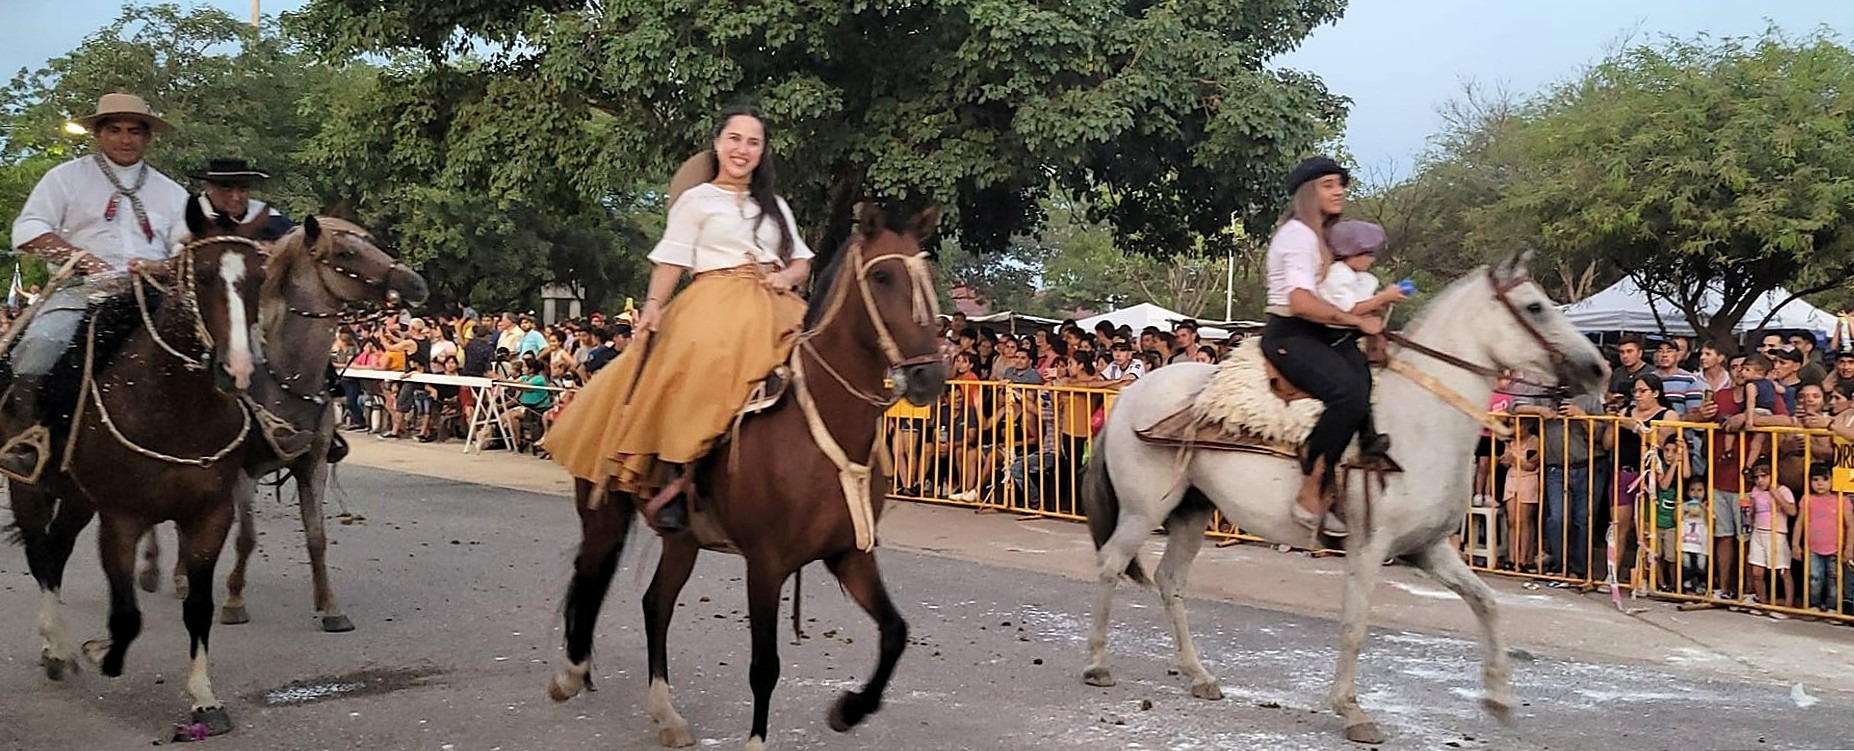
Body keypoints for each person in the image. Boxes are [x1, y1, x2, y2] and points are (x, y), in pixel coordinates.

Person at [543, 106, 813, 532]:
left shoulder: (775, 205)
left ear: (763, 151)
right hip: (712, 295)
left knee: (818, 361)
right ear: (718, 144)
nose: (743, 149)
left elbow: (801, 259)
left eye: (753, 142)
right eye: (735, 139)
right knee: (699, 357)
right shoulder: (698, 199)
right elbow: (671, 259)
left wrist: (787, 276)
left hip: (771, 298)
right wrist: (652, 305)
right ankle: (674, 472)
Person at [1, 93, 191, 481]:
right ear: (98, 134)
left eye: (135, 131)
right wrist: (84, 258)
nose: (125, 139)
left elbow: (188, 250)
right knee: (39, 348)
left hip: (153, 296)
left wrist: (159, 266)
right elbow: (29, 230)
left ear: (148, 137)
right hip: (79, 292)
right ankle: (33, 437)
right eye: (115, 130)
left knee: (223, 347)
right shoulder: (66, 178)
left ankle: (253, 438)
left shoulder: (172, 192)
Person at [1259, 156, 1388, 537]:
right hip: (1291, 333)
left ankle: (1364, 454)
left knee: (1365, 380)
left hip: (1322, 332)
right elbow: (1301, 301)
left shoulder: (1324, 236)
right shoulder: (1297, 237)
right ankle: (1310, 488)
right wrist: (1357, 321)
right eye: (1328, 184)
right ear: (1307, 192)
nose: (1339, 191)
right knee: (1346, 394)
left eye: (1340, 184)